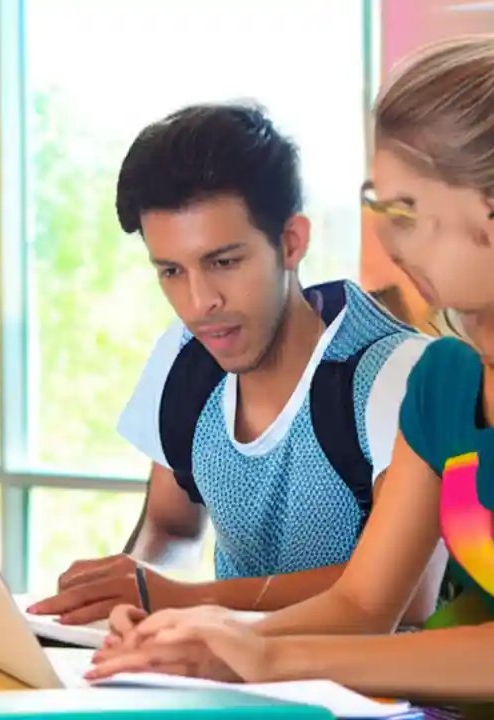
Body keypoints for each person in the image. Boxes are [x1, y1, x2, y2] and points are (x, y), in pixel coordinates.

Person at [86, 35, 494, 708]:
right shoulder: (443, 381)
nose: (388, 236)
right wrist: (199, 632)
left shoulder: (392, 371)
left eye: (406, 209)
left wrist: (263, 650)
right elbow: (363, 605)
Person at [27, 103, 444, 626]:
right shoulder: (185, 362)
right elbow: (171, 533)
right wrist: (121, 605)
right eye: (171, 271)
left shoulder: (393, 373)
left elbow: (409, 598)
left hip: (389, 698)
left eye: (223, 262)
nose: (200, 302)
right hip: (237, 679)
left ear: (291, 242)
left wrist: (179, 600)